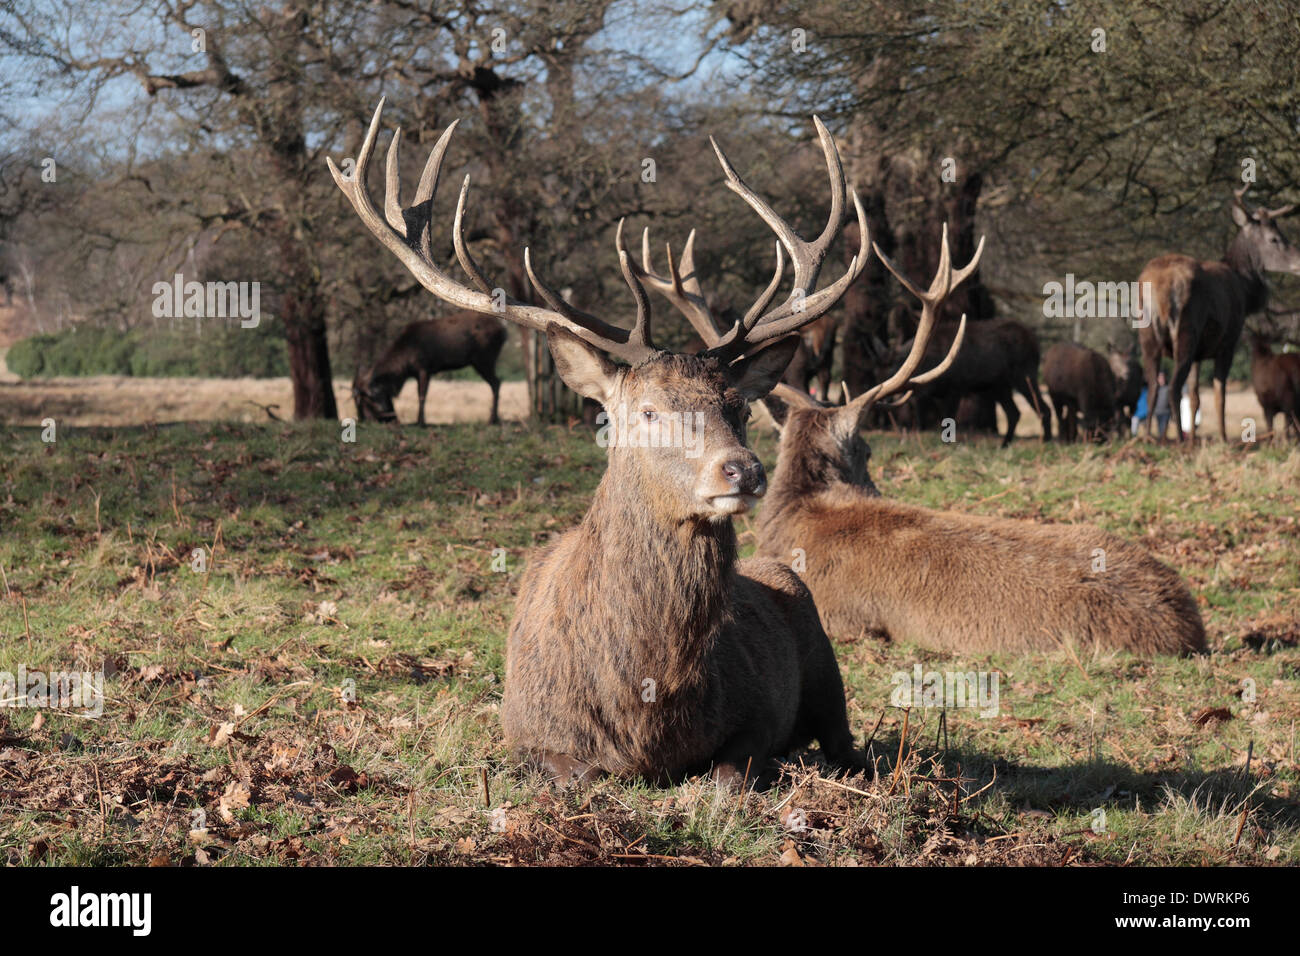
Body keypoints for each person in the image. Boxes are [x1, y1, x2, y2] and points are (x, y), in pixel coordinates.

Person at [1154, 371, 1171, 438]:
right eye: (1160, 378)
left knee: (1164, 428)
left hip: (1166, 412)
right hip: (1158, 412)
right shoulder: (1156, 389)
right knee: (1159, 428)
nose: (1161, 380)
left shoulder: (1168, 388)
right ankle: (1161, 440)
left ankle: (1163, 440)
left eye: (1162, 378)